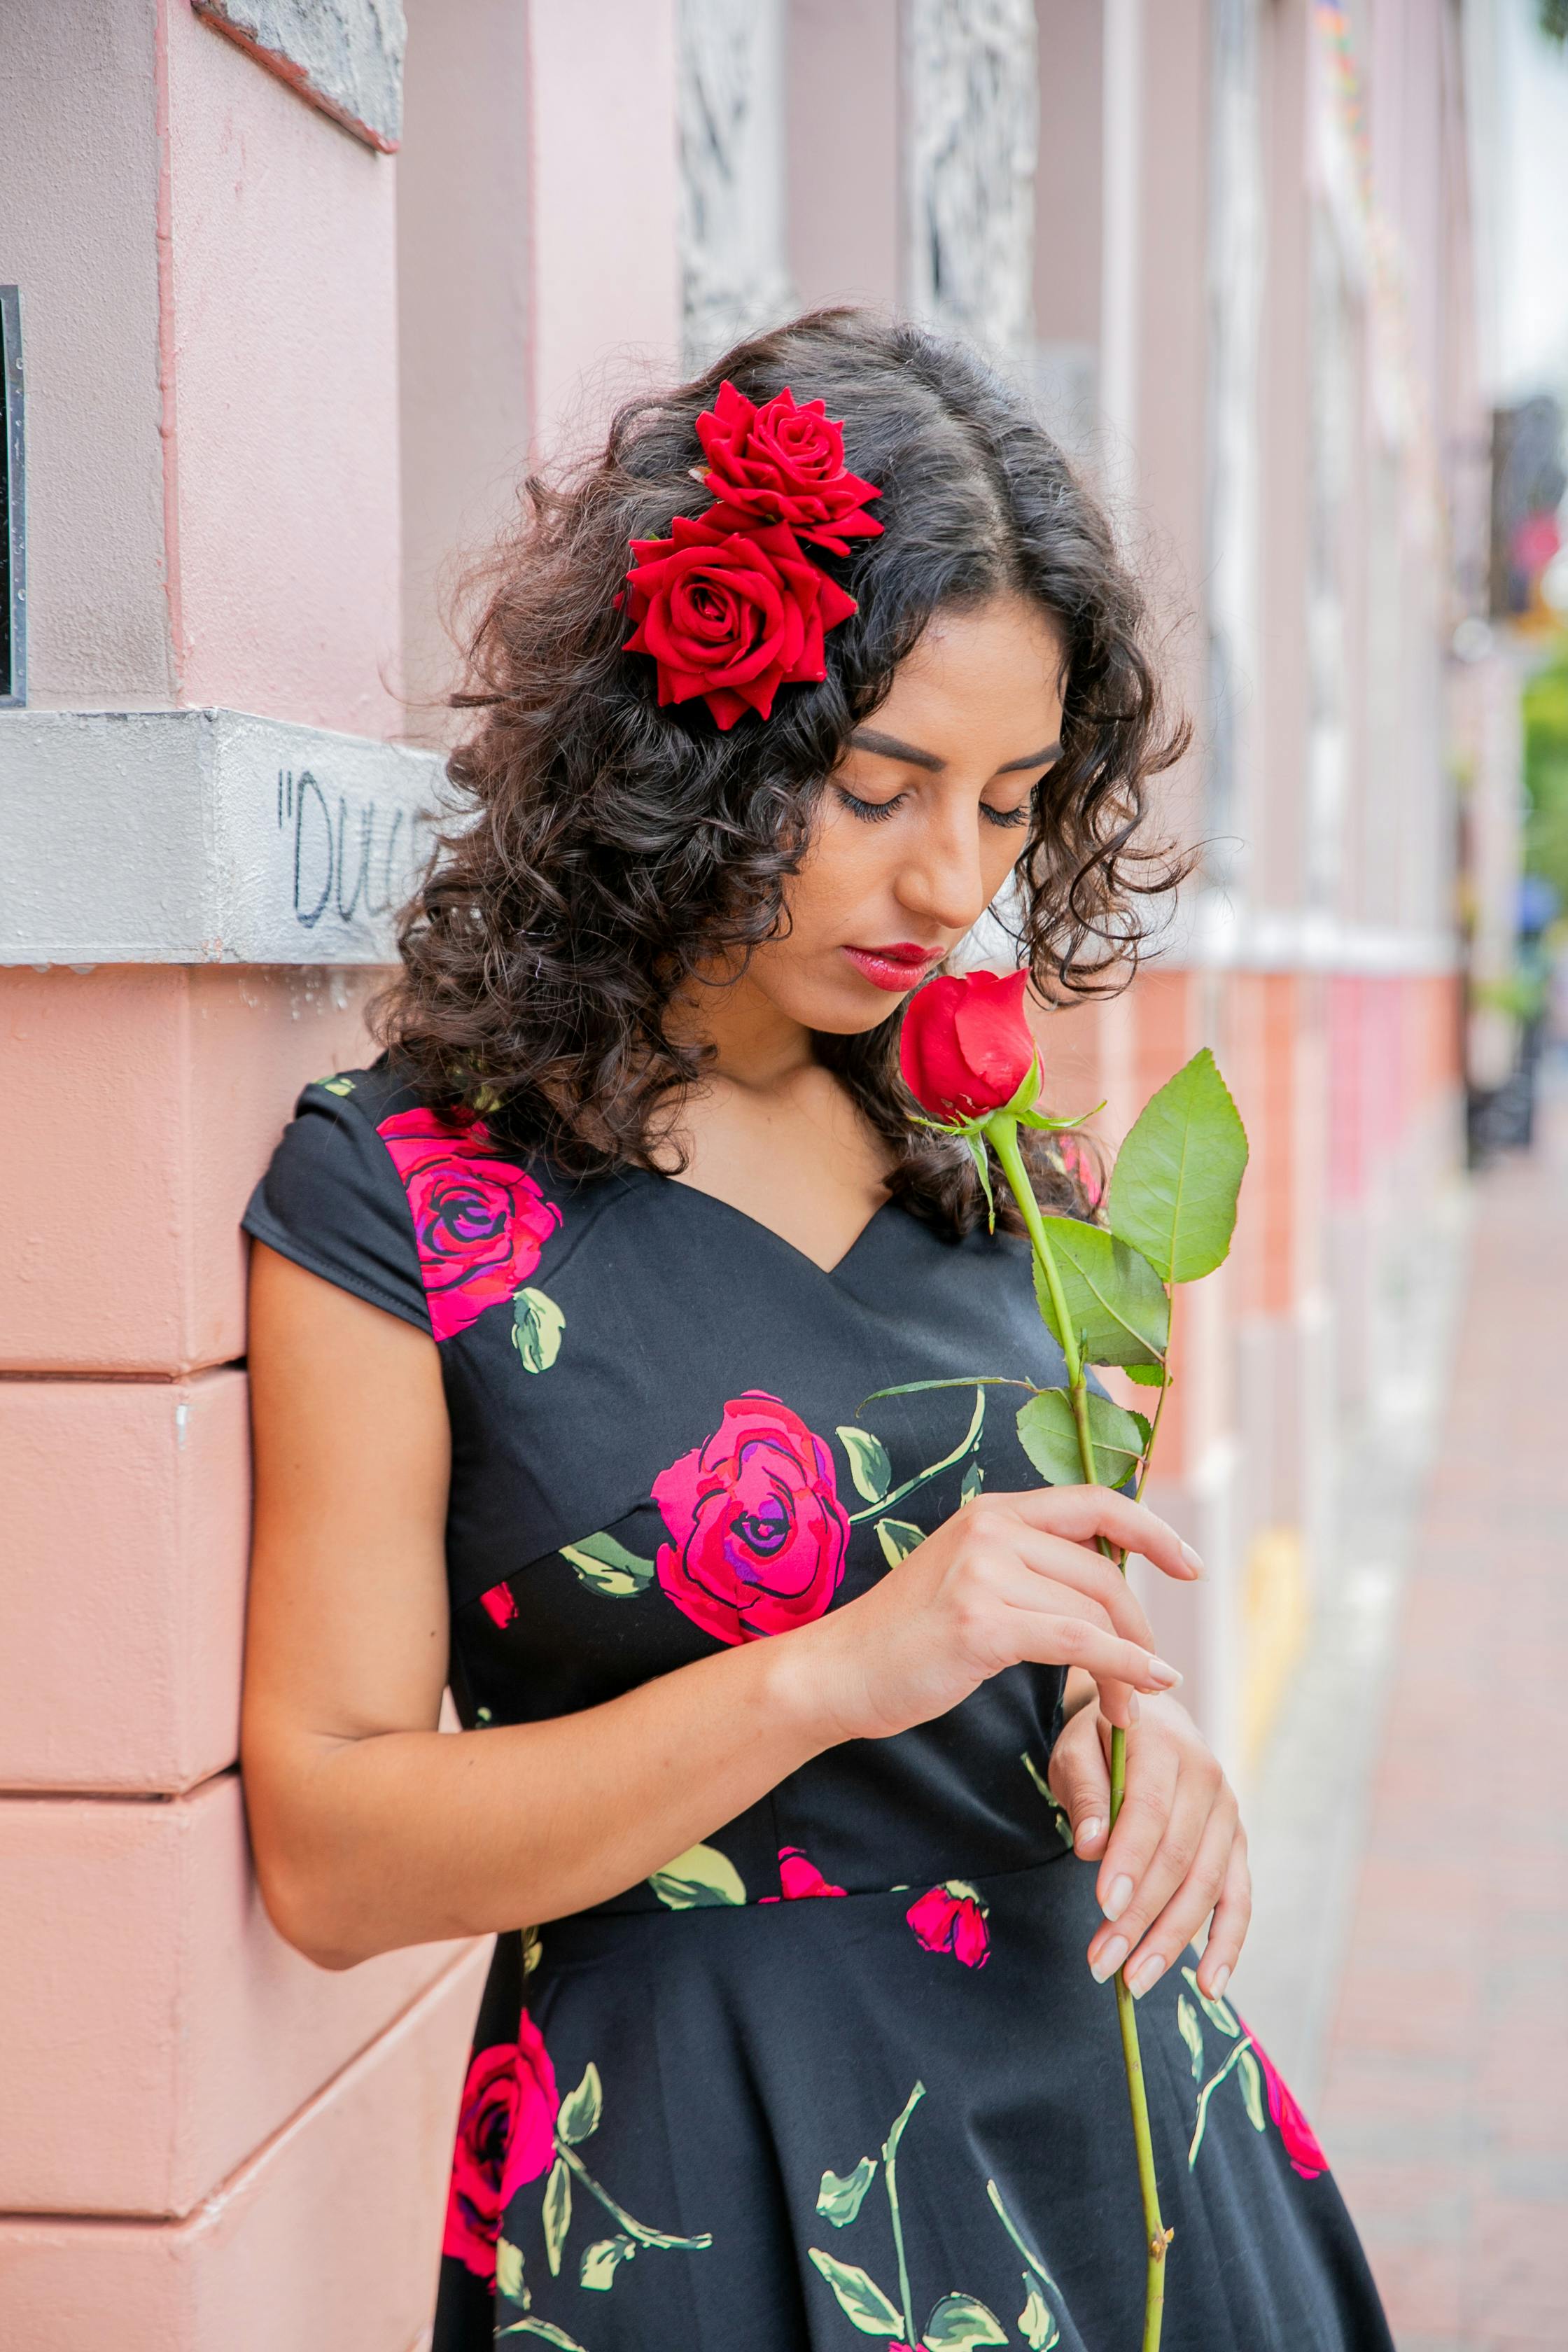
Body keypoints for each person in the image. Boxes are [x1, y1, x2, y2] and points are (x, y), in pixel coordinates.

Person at [241, 312, 1391, 2352]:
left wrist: (1138, 1732)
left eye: (1017, 804)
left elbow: (1005, 1622)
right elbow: (329, 1851)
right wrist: (835, 1675)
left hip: (1123, 2156)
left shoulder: (995, 1149)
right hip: (710, 2179)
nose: (954, 884)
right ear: (700, 735)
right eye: (882, 788)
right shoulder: (401, 1193)